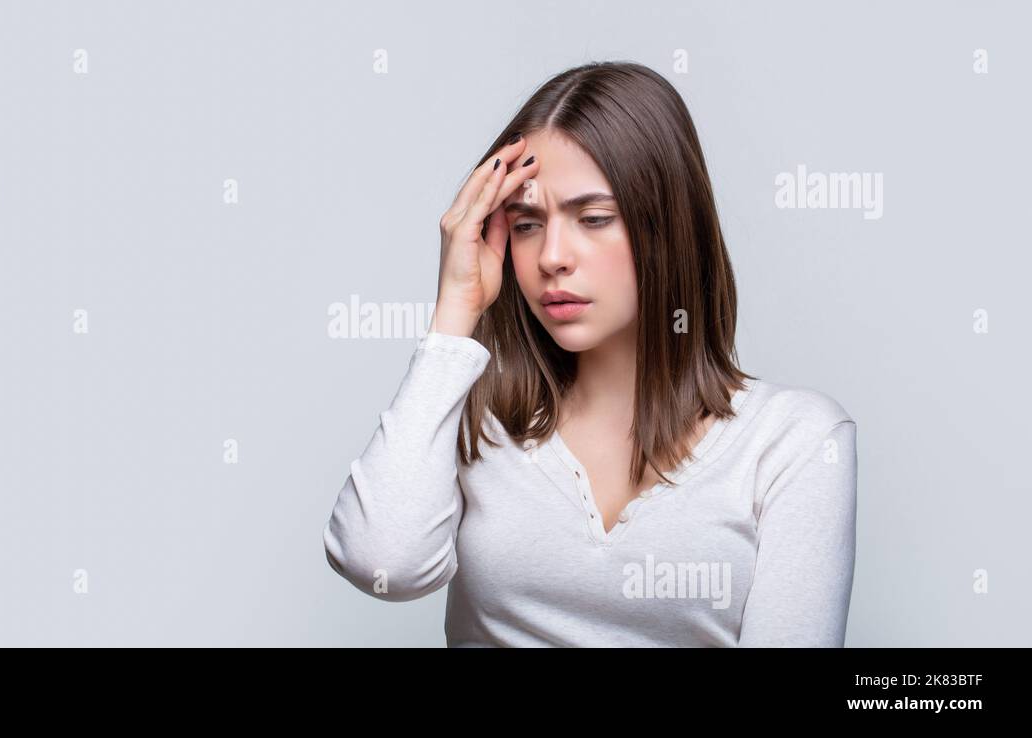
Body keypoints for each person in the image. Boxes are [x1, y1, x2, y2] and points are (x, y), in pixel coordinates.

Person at [322, 61, 857, 647]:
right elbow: (383, 564)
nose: (552, 256)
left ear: (668, 225)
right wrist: (456, 307)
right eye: (526, 224)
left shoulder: (794, 440)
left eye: (593, 218)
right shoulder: (477, 418)